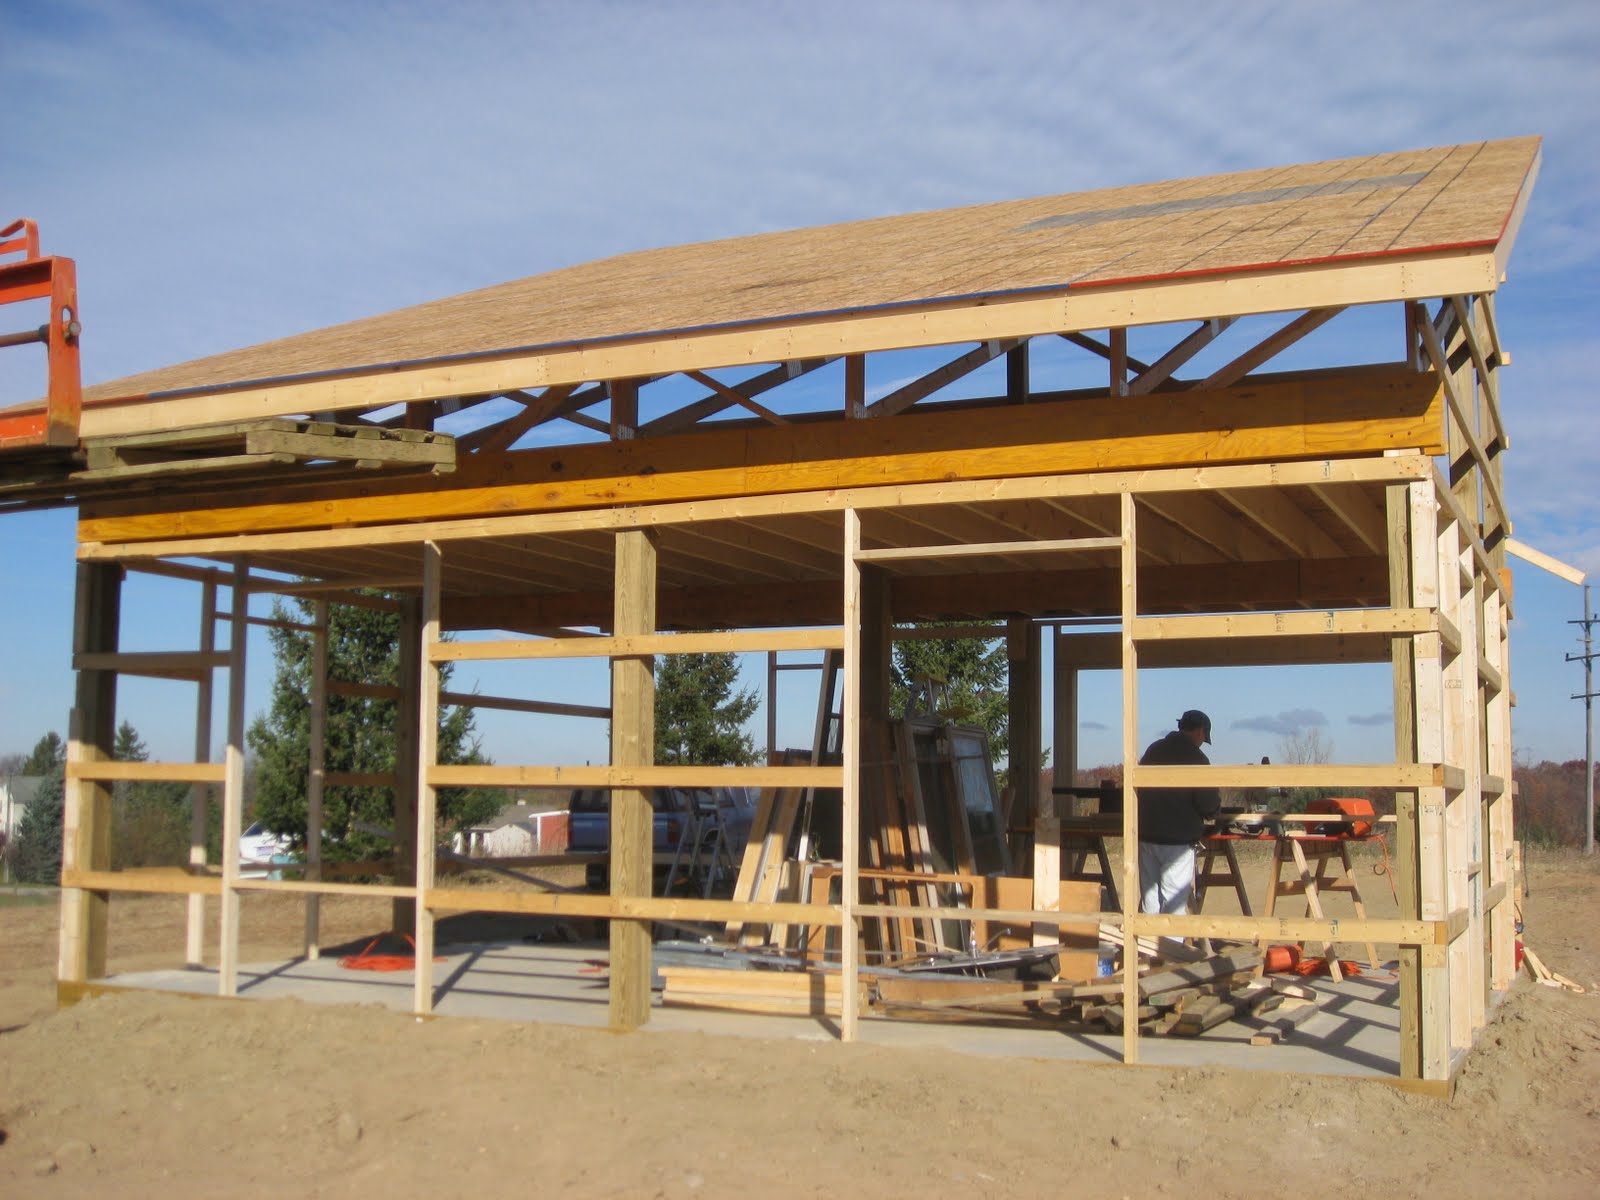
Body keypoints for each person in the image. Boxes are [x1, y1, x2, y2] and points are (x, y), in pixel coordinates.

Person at [1136, 709, 1222, 915]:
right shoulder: (1197, 759)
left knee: (1150, 900)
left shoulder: (1153, 751)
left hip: (1147, 835)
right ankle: (1170, 947)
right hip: (1178, 841)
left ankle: (1147, 945)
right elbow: (1207, 804)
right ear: (1201, 731)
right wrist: (1215, 812)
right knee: (1173, 903)